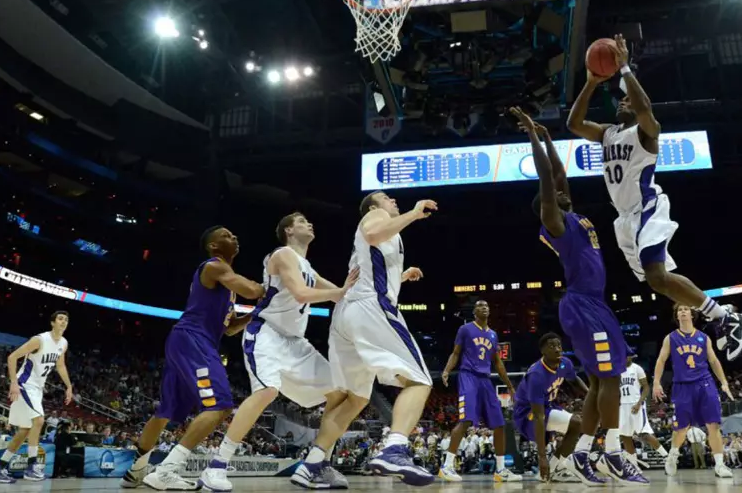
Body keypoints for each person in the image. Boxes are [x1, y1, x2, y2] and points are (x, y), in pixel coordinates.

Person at [566, 34, 742, 362]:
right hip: (623, 219)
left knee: (655, 274)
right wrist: (592, 82)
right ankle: (723, 315)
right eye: (621, 101)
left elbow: (644, 107)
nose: (624, 103)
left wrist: (624, 68)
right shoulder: (608, 133)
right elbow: (574, 123)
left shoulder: (647, 132)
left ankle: (724, 317)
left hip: (647, 207)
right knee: (659, 282)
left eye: (628, 102)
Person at [512, 107, 647, 485]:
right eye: (554, 195)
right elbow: (546, 179)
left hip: (596, 304)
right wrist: (531, 137)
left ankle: (584, 453)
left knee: (607, 378)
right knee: (608, 378)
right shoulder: (553, 222)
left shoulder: (571, 213)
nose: (560, 190)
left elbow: (558, 174)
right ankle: (613, 451)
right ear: (546, 207)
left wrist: (550, 138)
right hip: (582, 304)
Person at [200, 213, 359, 491]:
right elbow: (300, 293)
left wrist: (393, 280)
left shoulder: (308, 266)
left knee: (342, 393)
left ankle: (318, 463)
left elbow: (340, 294)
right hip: (267, 333)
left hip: (296, 342)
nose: (309, 223)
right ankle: (217, 465)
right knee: (266, 391)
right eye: (302, 221)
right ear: (288, 230)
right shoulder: (283, 254)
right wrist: (343, 290)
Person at [291, 192, 437, 488]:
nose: (393, 200)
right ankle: (395, 448)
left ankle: (313, 463)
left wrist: (400, 276)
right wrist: (413, 213)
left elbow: (369, 264)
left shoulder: (383, 230)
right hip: (370, 308)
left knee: (355, 397)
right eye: (386, 197)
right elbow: (372, 234)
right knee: (420, 380)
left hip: (348, 315)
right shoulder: (377, 216)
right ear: (373, 206)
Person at [121, 226, 265, 490]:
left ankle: (136, 471)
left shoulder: (224, 282)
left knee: (166, 411)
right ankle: (167, 470)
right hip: (193, 340)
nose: (234, 237)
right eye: (225, 235)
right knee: (220, 406)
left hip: (187, 341)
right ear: (212, 246)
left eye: (234, 234)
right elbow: (253, 290)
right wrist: (274, 287)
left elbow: (230, 327)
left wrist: (254, 315)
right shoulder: (215, 266)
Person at [438, 300, 521, 482]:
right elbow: (455, 353)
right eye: (480, 305)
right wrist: (446, 370)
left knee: (499, 424)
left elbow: (498, 363)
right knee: (466, 420)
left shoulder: (493, 335)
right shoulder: (466, 329)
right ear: (474, 312)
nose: (485, 307)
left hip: (485, 379)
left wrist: (509, 385)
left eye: (487, 305)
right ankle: (447, 466)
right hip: (468, 376)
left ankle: (500, 470)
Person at [0, 311, 74, 483]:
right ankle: (32, 467)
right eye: (60, 319)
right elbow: (12, 357)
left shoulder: (63, 343)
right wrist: (13, 382)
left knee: (25, 430)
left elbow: (61, 365)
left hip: (37, 388)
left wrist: (69, 386)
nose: (64, 322)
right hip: (24, 385)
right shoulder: (39, 340)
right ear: (52, 322)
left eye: (66, 320)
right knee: (39, 421)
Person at [652, 303, 735, 478]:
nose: (682, 311)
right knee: (681, 428)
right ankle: (673, 456)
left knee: (713, 424)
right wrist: (656, 383)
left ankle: (720, 465)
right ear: (677, 316)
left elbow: (713, 361)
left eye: (685, 309)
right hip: (682, 386)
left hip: (705, 383)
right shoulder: (671, 338)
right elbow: (661, 360)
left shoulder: (703, 337)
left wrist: (724, 382)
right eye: (679, 310)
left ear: (692, 314)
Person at [512, 333, 590, 484]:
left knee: (576, 426)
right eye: (552, 346)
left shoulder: (564, 363)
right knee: (576, 423)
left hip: (548, 406)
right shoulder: (536, 374)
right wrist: (542, 458)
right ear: (543, 351)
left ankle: (555, 468)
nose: (557, 349)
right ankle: (550, 467)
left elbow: (574, 380)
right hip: (526, 413)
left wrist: (589, 394)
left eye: (559, 345)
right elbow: (538, 416)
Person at [618, 352, 668, 470]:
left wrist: (639, 403)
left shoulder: (637, 369)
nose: (625, 358)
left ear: (631, 357)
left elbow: (646, 387)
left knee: (643, 433)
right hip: (623, 405)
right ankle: (634, 465)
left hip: (636, 404)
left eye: (627, 356)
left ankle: (666, 456)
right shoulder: (618, 370)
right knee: (625, 436)